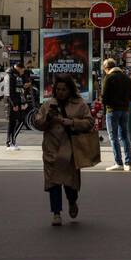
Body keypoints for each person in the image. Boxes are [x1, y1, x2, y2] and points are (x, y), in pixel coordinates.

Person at [36, 74, 95, 225]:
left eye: (64, 89)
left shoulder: (80, 104)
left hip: (70, 150)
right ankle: (56, 213)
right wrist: (47, 119)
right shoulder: (48, 104)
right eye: (58, 89)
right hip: (52, 149)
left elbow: (89, 123)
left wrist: (72, 122)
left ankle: (72, 200)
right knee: (53, 182)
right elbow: (38, 124)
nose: (61, 92)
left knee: (70, 184)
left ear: (70, 90)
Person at [100, 58, 131, 171]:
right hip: (124, 110)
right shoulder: (126, 78)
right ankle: (128, 163)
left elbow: (104, 96)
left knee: (113, 137)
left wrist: (105, 103)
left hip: (112, 110)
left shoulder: (108, 78)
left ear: (107, 68)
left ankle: (118, 162)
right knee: (125, 136)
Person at [6, 60, 26, 149]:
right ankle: (12, 141)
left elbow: (19, 90)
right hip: (14, 103)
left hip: (17, 102)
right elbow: (9, 91)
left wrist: (23, 102)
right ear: (19, 68)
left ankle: (10, 142)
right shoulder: (10, 75)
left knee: (13, 123)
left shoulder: (16, 75)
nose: (23, 72)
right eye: (22, 70)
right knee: (20, 121)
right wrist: (14, 104)